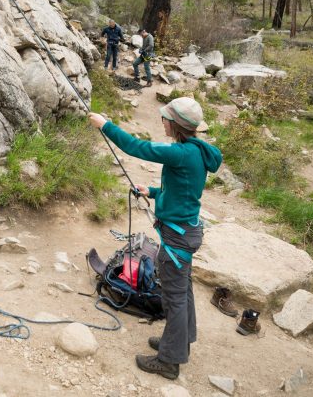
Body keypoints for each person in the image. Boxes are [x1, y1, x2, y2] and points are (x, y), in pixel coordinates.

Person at [88, 97, 222, 380]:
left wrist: (106, 126)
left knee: (173, 297)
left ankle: (169, 361)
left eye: (164, 117)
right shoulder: (195, 151)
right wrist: (152, 191)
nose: (161, 121)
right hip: (185, 231)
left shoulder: (181, 153)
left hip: (177, 238)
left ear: (174, 124)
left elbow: (139, 148)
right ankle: (179, 342)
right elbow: (183, 192)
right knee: (182, 291)